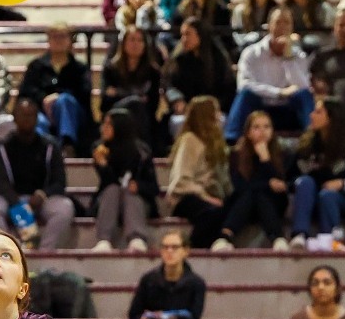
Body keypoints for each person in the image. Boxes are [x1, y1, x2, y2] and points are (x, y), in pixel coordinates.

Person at [0, 98, 74, 251]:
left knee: (65, 208)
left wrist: (42, 195)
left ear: (37, 118)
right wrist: (18, 204)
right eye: (23, 115)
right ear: (14, 118)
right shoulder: (2, 147)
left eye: (31, 115)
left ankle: (45, 252)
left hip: (42, 200)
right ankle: (9, 249)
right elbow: (0, 183)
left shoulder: (51, 146)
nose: (27, 119)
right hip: (12, 200)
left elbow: (59, 182)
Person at [227, 8, 314, 141]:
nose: (282, 27)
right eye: (278, 22)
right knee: (245, 95)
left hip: (287, 108)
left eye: (287, 23)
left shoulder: (298, 55)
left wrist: (288, 58)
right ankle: (231, 140)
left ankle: (313, 139)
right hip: (260, 107)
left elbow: (303, 86)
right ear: (269, 26)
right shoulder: (251, 53)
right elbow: (244, 85)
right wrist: (278, 92)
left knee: (304, 95)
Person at [288, 100, 345, 252]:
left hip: (338, 201)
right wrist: (298, 183)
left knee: (327, 195)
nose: (311, 115)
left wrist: (342, 183)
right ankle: (299, 235)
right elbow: (290, 177)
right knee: (305, 182)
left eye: (318, 112)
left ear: (331, 117)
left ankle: (330, 239)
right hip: (307, 199)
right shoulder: (306, 145)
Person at [216, 110, 289, 251]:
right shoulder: (236, 155)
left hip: (274, 203)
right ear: (248, 133)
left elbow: (280, 186)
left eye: (266, 127)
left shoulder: (283, 153)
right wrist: (267, 184)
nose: (262, 131)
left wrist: (266, 159)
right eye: (256, 127)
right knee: (252, 194)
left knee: (259, 195)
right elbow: (239, 186)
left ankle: (225, 235)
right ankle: (277, 237)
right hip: (244, 204)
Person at [165, 95, 230, 251]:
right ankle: (192, 250)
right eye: (215, 112)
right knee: (212, 213)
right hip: (187, 196)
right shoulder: (190, 140)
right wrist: (205, 196)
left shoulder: (216, 144)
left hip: (209, 194)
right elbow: (181, 180)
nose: (219, 117)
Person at [90, 106, 158, 252]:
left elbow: (154, 187)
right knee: (113, 189)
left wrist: (139, 186)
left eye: (109, 125)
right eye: (104, 124)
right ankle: (104, 240)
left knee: (130, 192)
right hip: (109, 201)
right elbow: (108, 182)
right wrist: (103, 166)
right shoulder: (100, 149)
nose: (103, 128)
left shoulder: (141, 152)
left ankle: (136, 239)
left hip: (137, 202)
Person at [16, 22, 93, 149]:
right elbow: (26, 92)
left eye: (62, 36)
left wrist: (58, 96)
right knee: (36, 119)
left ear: (70, 40)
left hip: (73, 113)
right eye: (54, 36)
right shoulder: (36, 66)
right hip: (42, 111)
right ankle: (42, 150)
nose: (58, 40)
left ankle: (67, 145)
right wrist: (43, 99)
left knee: (64, 101)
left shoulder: (80, 68)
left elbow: (84, 93)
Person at [99, 25, 165, 149]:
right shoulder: (111, 69)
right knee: (135, 104)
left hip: (143, 117)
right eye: (132, 40)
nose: (136, 44)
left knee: (138, 109)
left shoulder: (153, 72)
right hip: (116, 116)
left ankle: (141, 150)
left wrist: (119, 93)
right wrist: (136, 97)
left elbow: (152, 104)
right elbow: (105, 103)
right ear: (123, 44)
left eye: (140, 40)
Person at [163, 19, 236, 121]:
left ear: (200, 35)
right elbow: (168, 83)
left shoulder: (218, 60)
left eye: (188, 34)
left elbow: (228, 89)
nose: (184, 39)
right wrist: (176, 99)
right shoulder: (179, 59)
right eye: (182, 35)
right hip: (185, 111)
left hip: (213, 111)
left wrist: (213, 107)